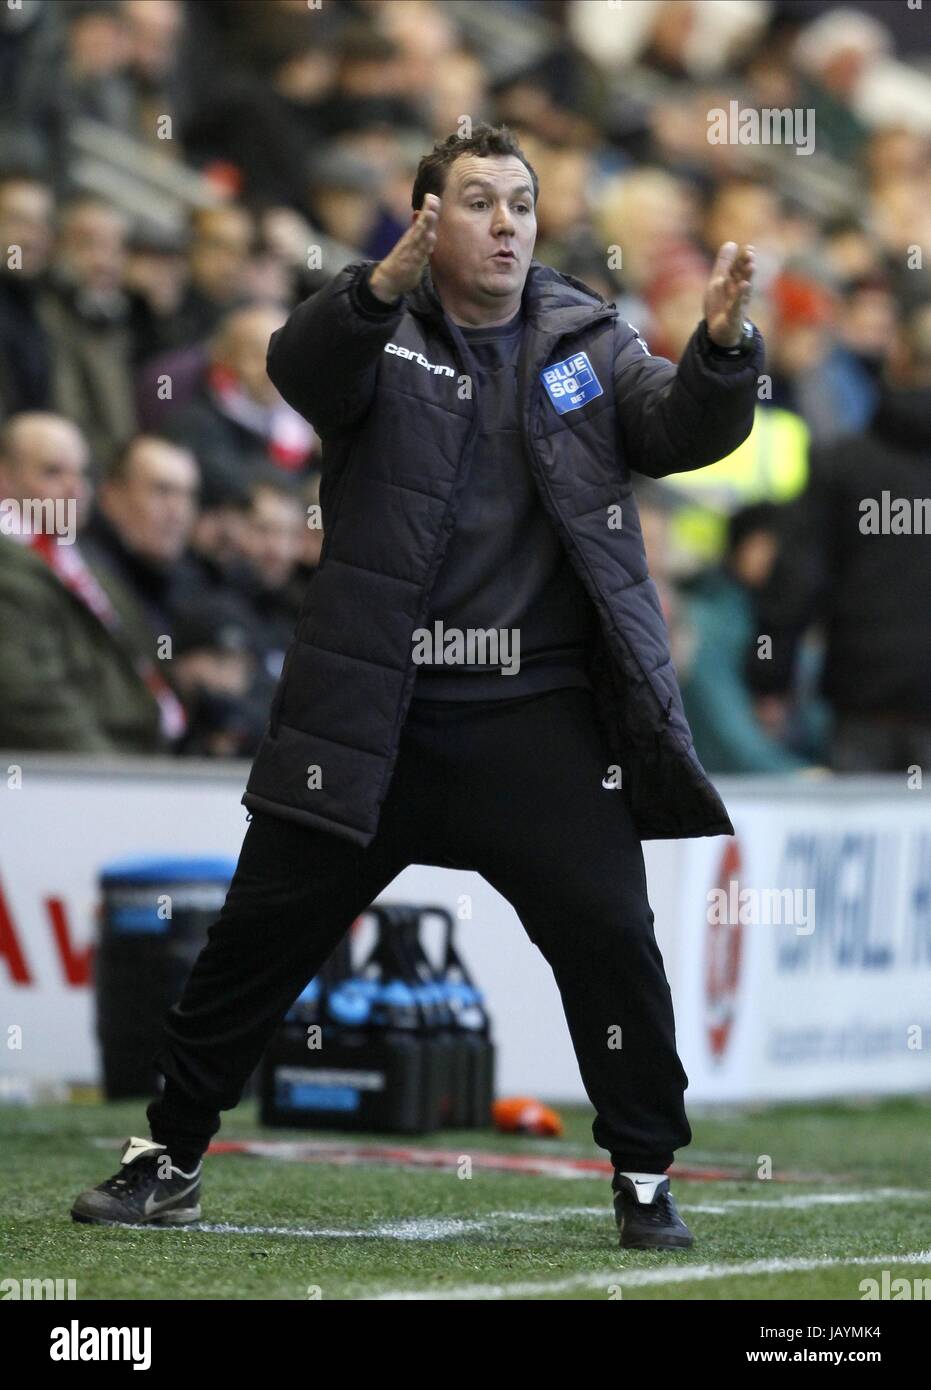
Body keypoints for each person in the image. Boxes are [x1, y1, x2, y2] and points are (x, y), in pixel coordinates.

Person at [71, 124, 763, 1251]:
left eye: (522, 203)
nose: (508, 223)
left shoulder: (584, 334)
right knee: (256, 940)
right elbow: (303, 369)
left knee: (611, 943)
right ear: (428, 221)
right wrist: (378, 280)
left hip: (537, 715)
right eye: (480, 202)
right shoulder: (374, 326)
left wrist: (723, 349)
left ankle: (643, 1175)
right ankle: (168, 1157)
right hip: (374, 711)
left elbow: (678, 428)